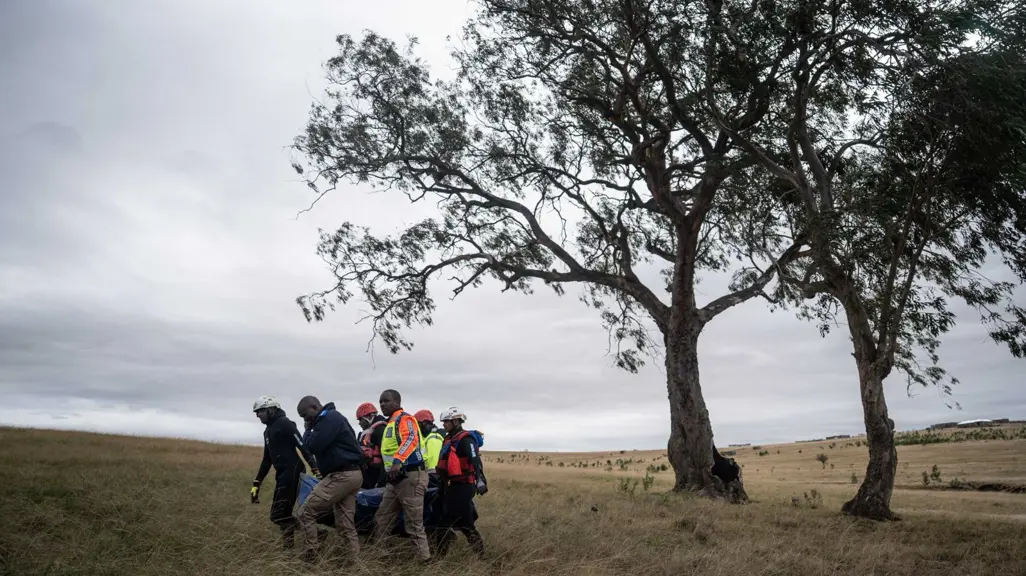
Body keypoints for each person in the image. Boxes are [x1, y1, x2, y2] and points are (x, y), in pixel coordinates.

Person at [295, 396, 364, 563]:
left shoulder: (328, 419)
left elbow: (312, 446)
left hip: (341, 476)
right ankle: (353, 561)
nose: (305, 419)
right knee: (345, 523)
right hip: (353, 474)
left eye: (305, 415)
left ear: (315, 406)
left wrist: (307, 430)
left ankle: (312, 552)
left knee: (305, 512)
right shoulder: (334, 417)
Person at [250, 396, 320, 551]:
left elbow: (303, 446)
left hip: (293, 472)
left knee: (279, 515)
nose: (258, 415)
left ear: (270, 409)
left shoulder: (285, 424)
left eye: (260, 411)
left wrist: (315, 470)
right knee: (282, 514)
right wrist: (257, 482)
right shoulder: (268, 431)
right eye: (256, 412)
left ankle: (316, 534)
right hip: (283, 475)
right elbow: (267, 460)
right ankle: (289, 549)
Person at [371, 389, 431, 563]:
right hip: (395, 480)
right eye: (381, 401)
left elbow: (410, 438)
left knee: (413, 524)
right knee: (382, 518)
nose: (382, 404)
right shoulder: (390, 423)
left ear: (397, 403)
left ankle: (424, 561)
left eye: (386, 401)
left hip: (411, 477)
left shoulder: (405, 419)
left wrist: (398, 460)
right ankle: (382, 556)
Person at [433, 406, 487, 558]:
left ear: (456, 421)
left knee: (447, 522)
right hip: (451, 485)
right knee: (465, 524)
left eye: (446, 421)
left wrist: (479, 480)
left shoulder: (466, 439)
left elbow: (474, 459)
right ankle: (481, 556)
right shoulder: (449, 438)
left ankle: (439, 558)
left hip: (463, 486)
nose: (443, 424)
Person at [356, 402, 387, 489]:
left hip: (377, 474)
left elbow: (386, 457)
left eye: (360, 420)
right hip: (369, 472)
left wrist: (381, 482)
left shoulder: (379, 431)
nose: (359, 423)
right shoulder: (368, 432)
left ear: (369, 417)